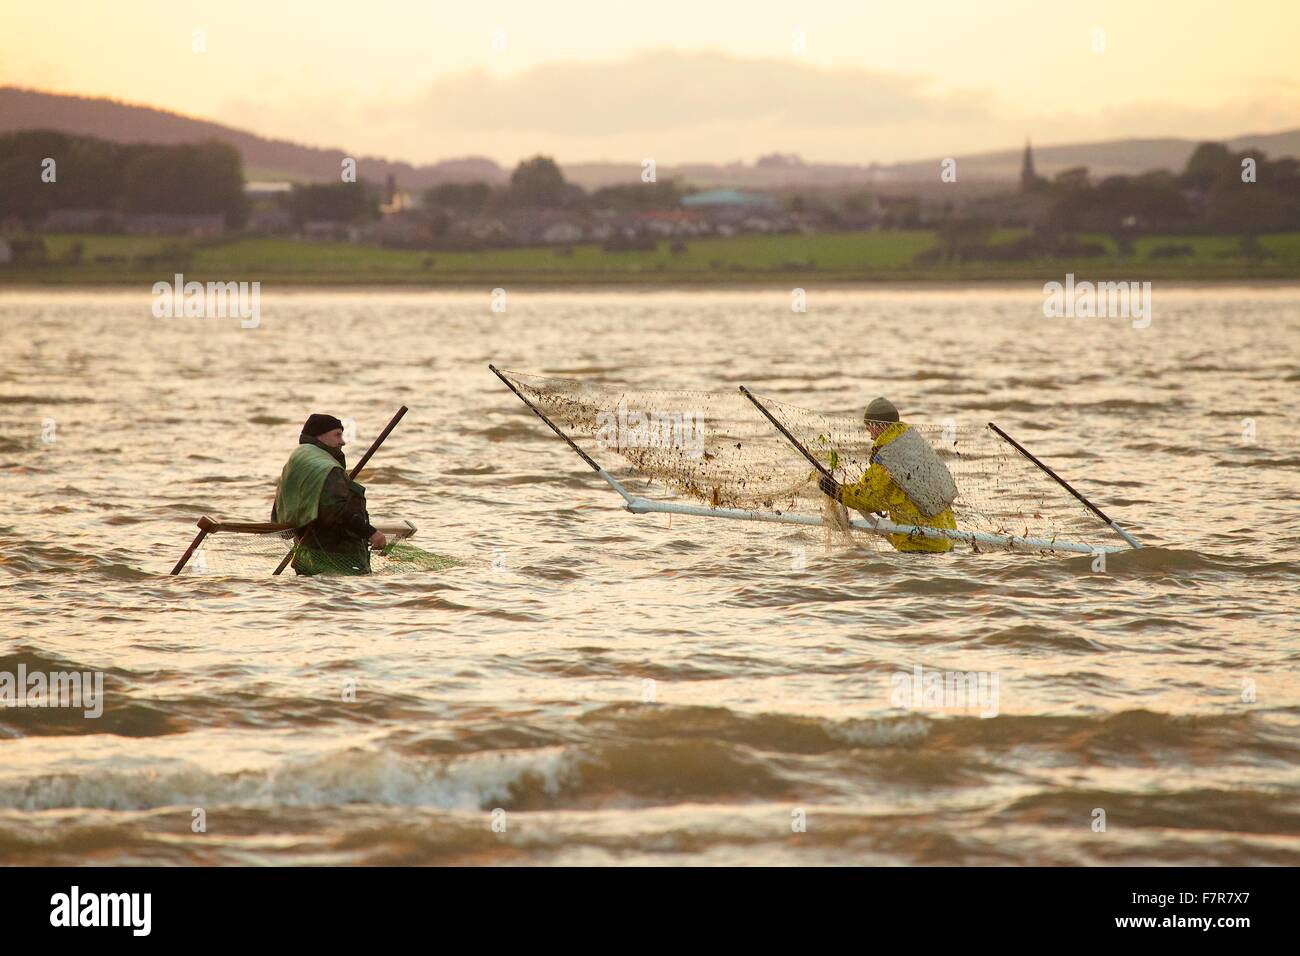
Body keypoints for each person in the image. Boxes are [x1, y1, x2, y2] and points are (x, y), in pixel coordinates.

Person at [817, 397, 958, 553]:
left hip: (920, 544)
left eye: (868, 427)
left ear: (877, 426)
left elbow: (866, 498)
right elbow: (906, 490)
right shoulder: (913, 445)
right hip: (947, 538)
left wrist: (835, 490)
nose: (869, 434)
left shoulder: (886, 457)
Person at [272, 414, 386, 574]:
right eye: (337, 435)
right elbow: (335, 510)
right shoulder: (327, 468)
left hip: (310, 555)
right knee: (344, 598)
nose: (342, 441)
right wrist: (371, 533)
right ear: (319, 436)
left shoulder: (299, 458)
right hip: (334, 558)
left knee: (315, 596)